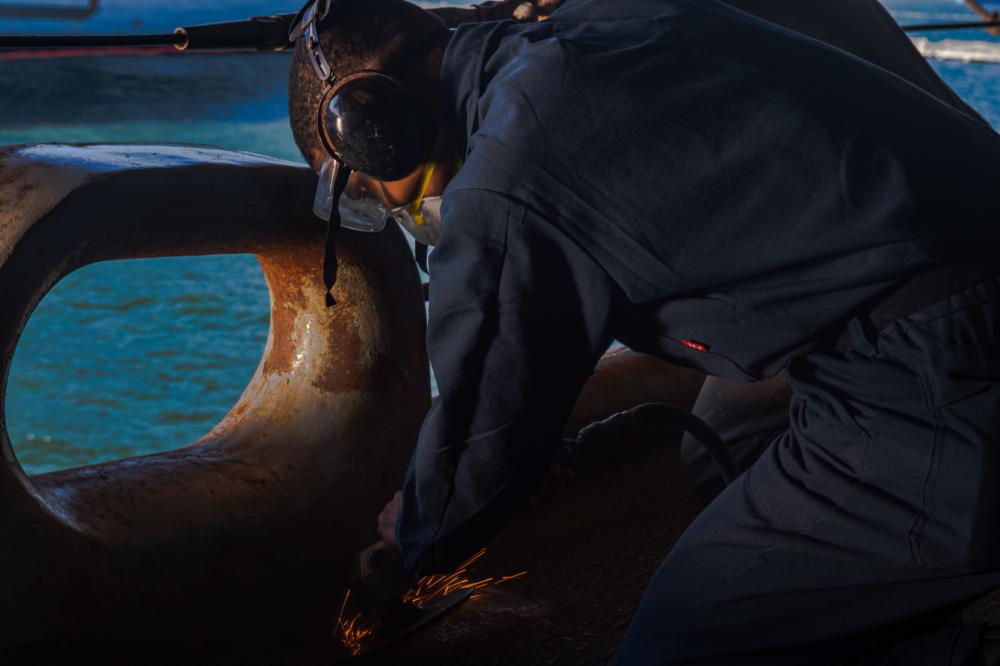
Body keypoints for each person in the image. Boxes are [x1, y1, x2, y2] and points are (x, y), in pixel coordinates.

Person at [287, 0, 1000, 662]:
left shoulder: (505, 182)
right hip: (929, 298)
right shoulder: (597, 25)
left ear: (376, 132)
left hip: (937, 368)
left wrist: (410, 533)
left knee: (681, 636)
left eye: (369, 191)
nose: (400, 211)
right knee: (731, 444)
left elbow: (476, 439)